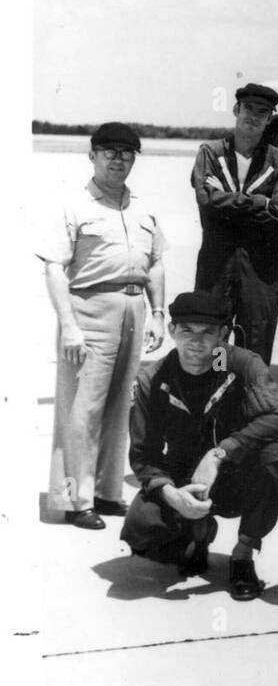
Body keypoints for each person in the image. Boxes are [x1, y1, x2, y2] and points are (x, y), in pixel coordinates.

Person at [120, 291, 278, 600]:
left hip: (235, 475)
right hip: (185, 476)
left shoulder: (236, 363)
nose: (196, 341)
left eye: (207, 332)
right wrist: (170, 494)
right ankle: (197, 535)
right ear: (172, 331)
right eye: (186, 330)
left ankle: (243, 555)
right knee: (141, 531)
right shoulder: (154, 379)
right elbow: (143, 455)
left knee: (276, 457)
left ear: (223, 335)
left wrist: (220, 452)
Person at [39, 122, 166, 529]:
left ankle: (107, 493)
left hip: (133, 310)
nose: (119, 159)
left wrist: (158, 313)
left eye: (127, 153)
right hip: (89, 311)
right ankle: (75, 500)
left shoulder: (142, 208)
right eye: (109, 152)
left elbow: (157, 262)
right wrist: (69, 325)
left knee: (121, 407)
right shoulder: (74, 205)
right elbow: (55, 268)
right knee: (82, 408)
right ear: (92, 155)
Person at [191, 83, 278, 364]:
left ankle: (248, 404)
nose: (254, 116)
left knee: (255, 348)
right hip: (216, 266)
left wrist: (228, 200)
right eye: (249, 108)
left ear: (269, 119)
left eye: (262, 112)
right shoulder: (210, 154)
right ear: (237, 109)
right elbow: (207, 201)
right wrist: (260, 202)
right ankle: (215, 401)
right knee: (213, 341)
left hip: (260, 270)